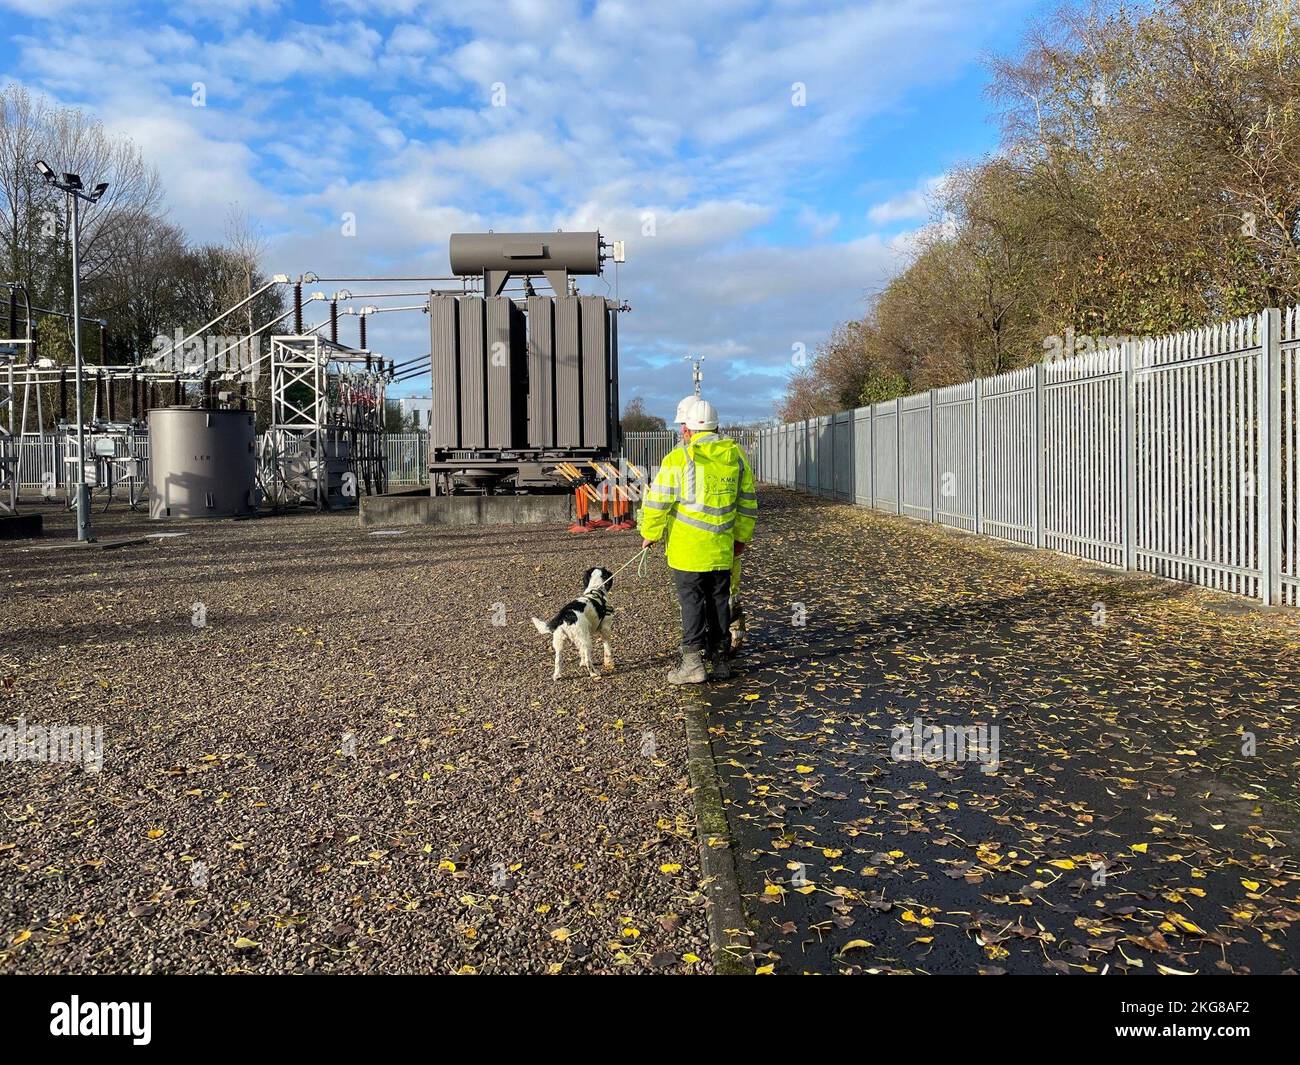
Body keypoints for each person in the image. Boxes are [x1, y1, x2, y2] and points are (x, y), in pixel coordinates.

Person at [639, 398, 757, 684]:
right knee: (719, 601)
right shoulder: (736, 457)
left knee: (691, 602)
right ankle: (720, 660)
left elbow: (657, 503)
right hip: (722, 548)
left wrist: (650, 534)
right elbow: (748, 503)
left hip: (687, 551)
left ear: (688, 431)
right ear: (717, 427)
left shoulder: (679, 459)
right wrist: (741, 537)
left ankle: (692, 663)